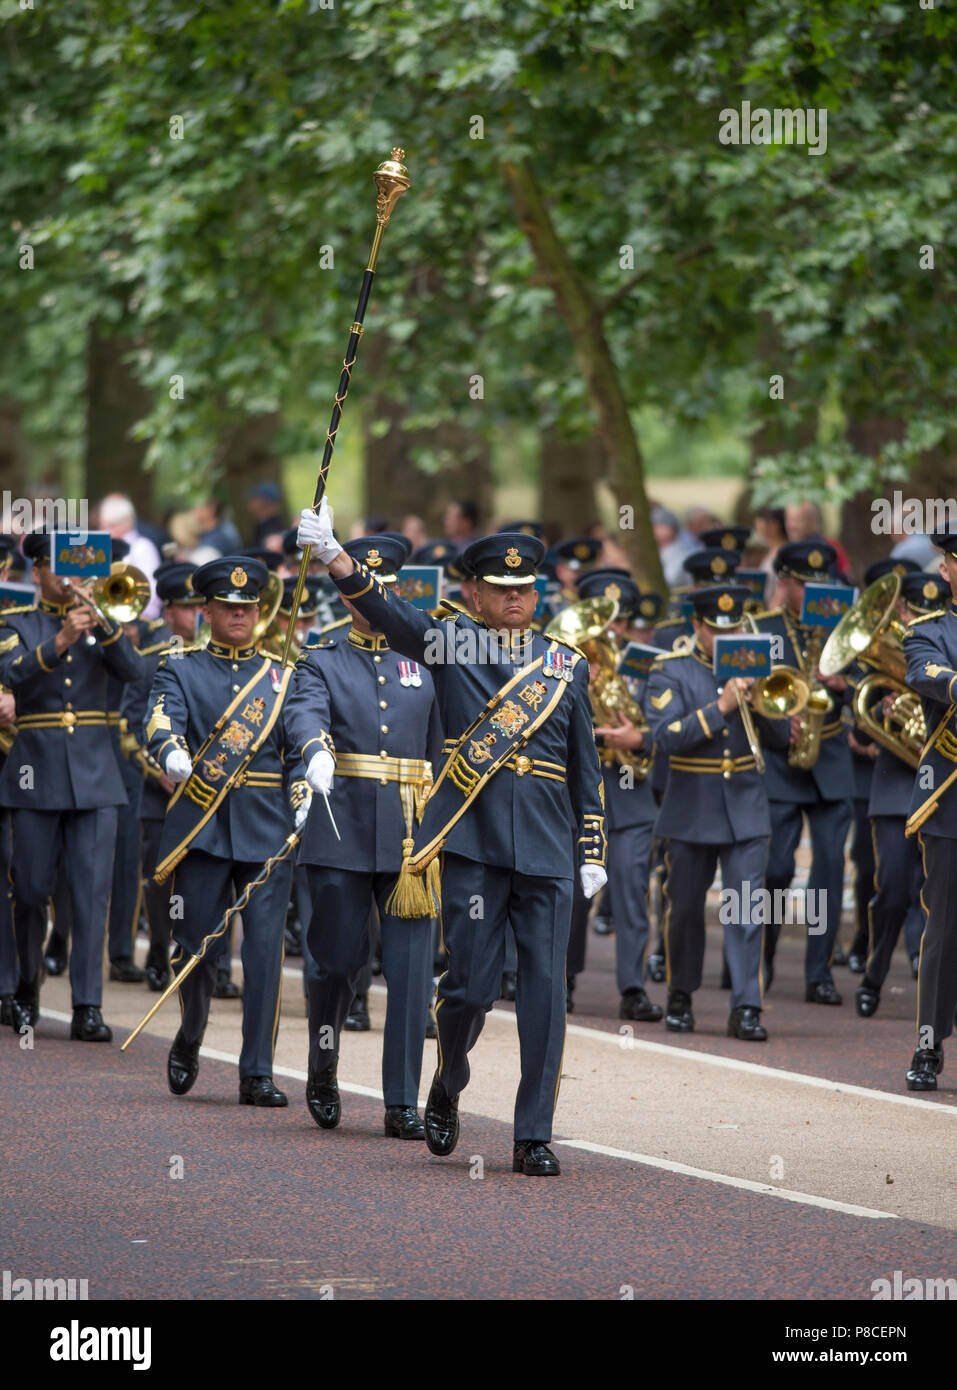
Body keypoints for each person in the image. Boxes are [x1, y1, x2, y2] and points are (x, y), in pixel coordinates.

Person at [297, 504, 607, 1177]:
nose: (515, 600)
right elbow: (393, 617)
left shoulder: (564, 665)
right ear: (472, 592)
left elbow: (585, 764)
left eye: (525, 590)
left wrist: (591, 847)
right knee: (469, 985)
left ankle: (532, 1136)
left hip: (550, 849)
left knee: (546, 993)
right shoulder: (454, 643)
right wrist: (337, 559)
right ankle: (449, 1076)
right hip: (474, 842)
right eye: (500, 590)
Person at [286, 534, 443, 1138]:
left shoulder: (427, 661)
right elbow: (303, 711)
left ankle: (401, 1098)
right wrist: (314, 750)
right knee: (334, 963)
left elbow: (441, 744)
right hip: (340, 825)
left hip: (409, 832)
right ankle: (323, 1066)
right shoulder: (320, 659)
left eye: (386, 586)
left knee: (408, 970)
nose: (371, 598)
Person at [143, 556, 310, 1106]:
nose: (239, 615)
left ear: (260, 612)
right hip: (205, 823)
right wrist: (171, 753)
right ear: (207, 611)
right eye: (228, 607)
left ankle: (256, 1069)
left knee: (264, 952)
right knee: (195, 949)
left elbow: (296, 746)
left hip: (266, 826)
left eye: (249, 608)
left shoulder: (281, 676)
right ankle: (191, 1034)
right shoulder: (181, 667)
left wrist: (305, 783)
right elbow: (161, 717)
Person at [0, 529, 141, 1039]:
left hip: (96, 775)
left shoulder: (106, 623)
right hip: (35, 772)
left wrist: (103, 629)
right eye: (58, 568)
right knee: (33, 890)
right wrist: (59, 642)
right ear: (36, 572)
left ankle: (88, 1005)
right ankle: (26, 987)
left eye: (81, 570)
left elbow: (133, 671)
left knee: (90, 894)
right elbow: (10, 673)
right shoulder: (16, 623)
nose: (71, 580)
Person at [645, 583, 785, 1040]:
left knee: (746, 909)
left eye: (734, 627)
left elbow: (783, 738)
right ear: (697, 626)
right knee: (683, 908)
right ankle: (681, 993)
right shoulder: (672, 670)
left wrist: (768, 703)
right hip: (691, 805)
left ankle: (747, 1006)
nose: (725, 637)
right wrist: (723, 705)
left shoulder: (756, 667)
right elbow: (665, 736)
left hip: (745, 802)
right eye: (715, 629)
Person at [752, 543, 853, 1002]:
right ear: (785, 583)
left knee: (830, 868)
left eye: (820, 583)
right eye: (803, 584)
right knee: (775, 868)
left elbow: (874, 680)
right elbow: (745, 691)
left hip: (830, 758)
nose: (813, 592)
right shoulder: (764, 628)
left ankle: (819, 974)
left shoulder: (842, 627)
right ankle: (764, 958)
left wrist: (845, 684)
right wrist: (779, 723)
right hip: (781, 764)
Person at [99, 493, 162, 618]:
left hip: (138, 619)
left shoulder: (142, 547)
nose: (104, 531)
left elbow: (152, 594)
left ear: (127, 523)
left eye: (111, 525)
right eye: (102, 525)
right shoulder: (103, 548)